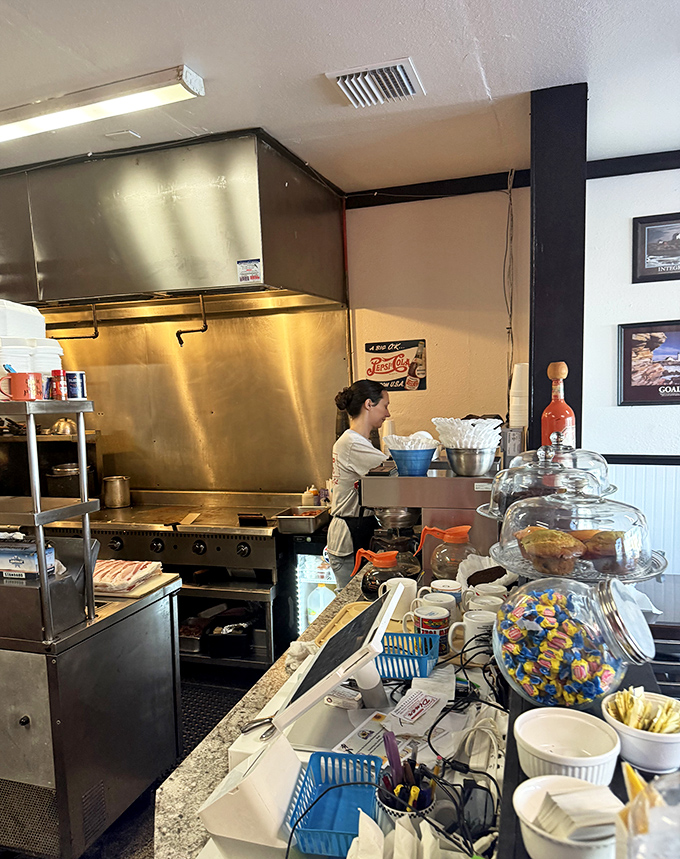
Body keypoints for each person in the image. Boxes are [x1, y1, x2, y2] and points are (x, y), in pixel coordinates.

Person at [327, 380, 390, 588]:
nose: (387, 414)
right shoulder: (352, 444)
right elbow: (395, 473)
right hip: (348, 535)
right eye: (385, 406)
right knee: (350, 605)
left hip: (358, 529)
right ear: (369, 404)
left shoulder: (357, 441)